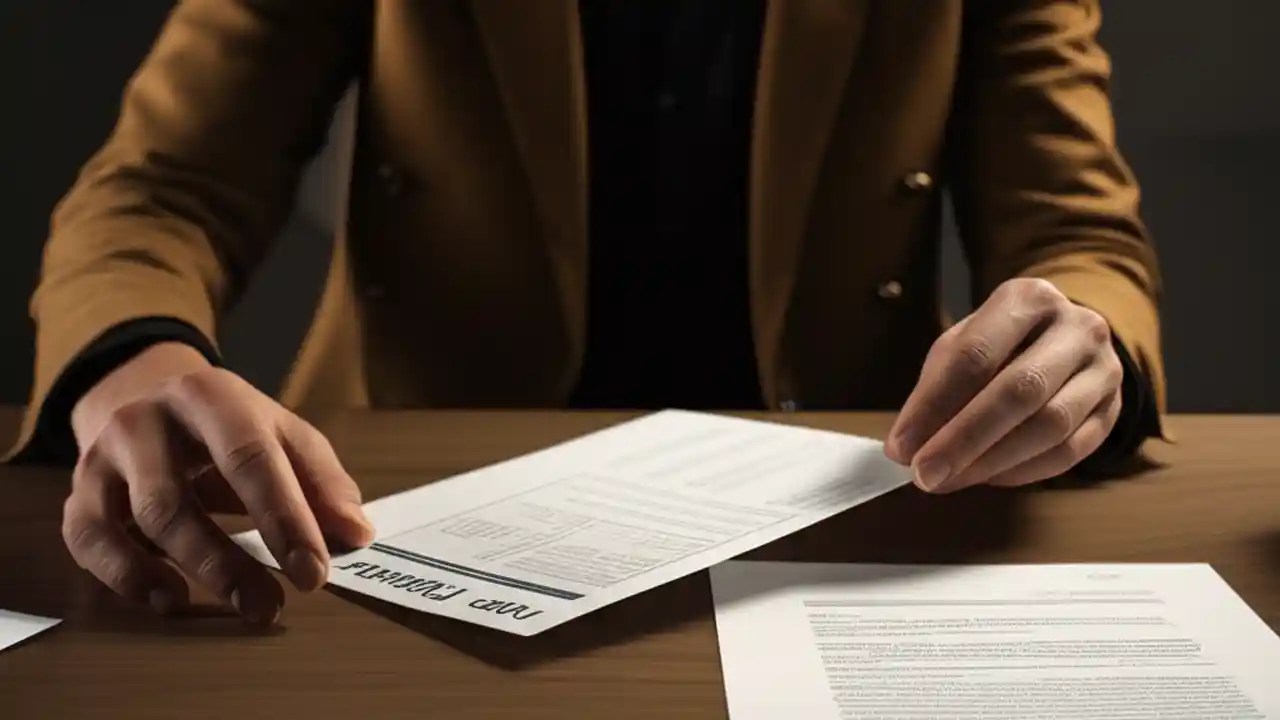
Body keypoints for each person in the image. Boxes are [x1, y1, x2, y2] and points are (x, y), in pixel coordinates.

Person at [13, 1, 1166, 626]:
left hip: (831, 519)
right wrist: (135, 357)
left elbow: (1079, 238)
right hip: (395, 511)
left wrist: (1080, 342)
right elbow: (159, 188)